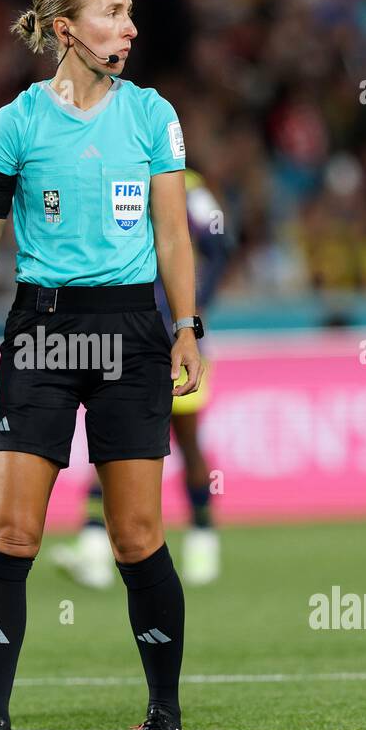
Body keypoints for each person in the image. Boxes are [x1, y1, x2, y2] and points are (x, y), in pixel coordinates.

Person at [0, 0, 204, 730]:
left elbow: (173, 234)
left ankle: (163, 712)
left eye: (128, 11)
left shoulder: (153, 116)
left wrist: (188, 325)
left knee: (136, 535)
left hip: (130, 331)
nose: (130, 25)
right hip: (44, 332)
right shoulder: (12, 124)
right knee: (12, 532)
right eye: (113, 12)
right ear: (65, 30)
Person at [52, 167, 234, 588]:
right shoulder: (113, 172)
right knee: (110, 435)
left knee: (186, 439)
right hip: (121, 330)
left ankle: (203, 537)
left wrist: (193, 305)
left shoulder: (188, 186)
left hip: (174, 336)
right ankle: (95, 549)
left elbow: (220, 245)